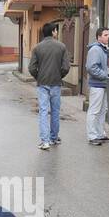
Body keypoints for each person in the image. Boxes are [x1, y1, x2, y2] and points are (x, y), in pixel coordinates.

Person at [28, 23, 70, 151]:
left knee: (44, 112)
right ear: (53, 32)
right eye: (56, 30)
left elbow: (31, 68)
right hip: (56, 84)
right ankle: (53, 138)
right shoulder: (62, 47)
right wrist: (59, 76)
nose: (57, 32)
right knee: (55, 112)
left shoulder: (37, 48)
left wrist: (39, 77)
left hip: (42, 84)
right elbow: (66, 67)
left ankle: (44, 141)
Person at [85, 28, 109, 145]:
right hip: (97, 84)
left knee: (103, 110)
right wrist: (106, 76)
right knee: (94, 110)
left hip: (104, 84)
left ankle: (100, 134)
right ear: (99, 37)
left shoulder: (105, 49)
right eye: (106, 35)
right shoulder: (95, 49)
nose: (108, 37)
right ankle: (92, 136)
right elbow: (91, 67)